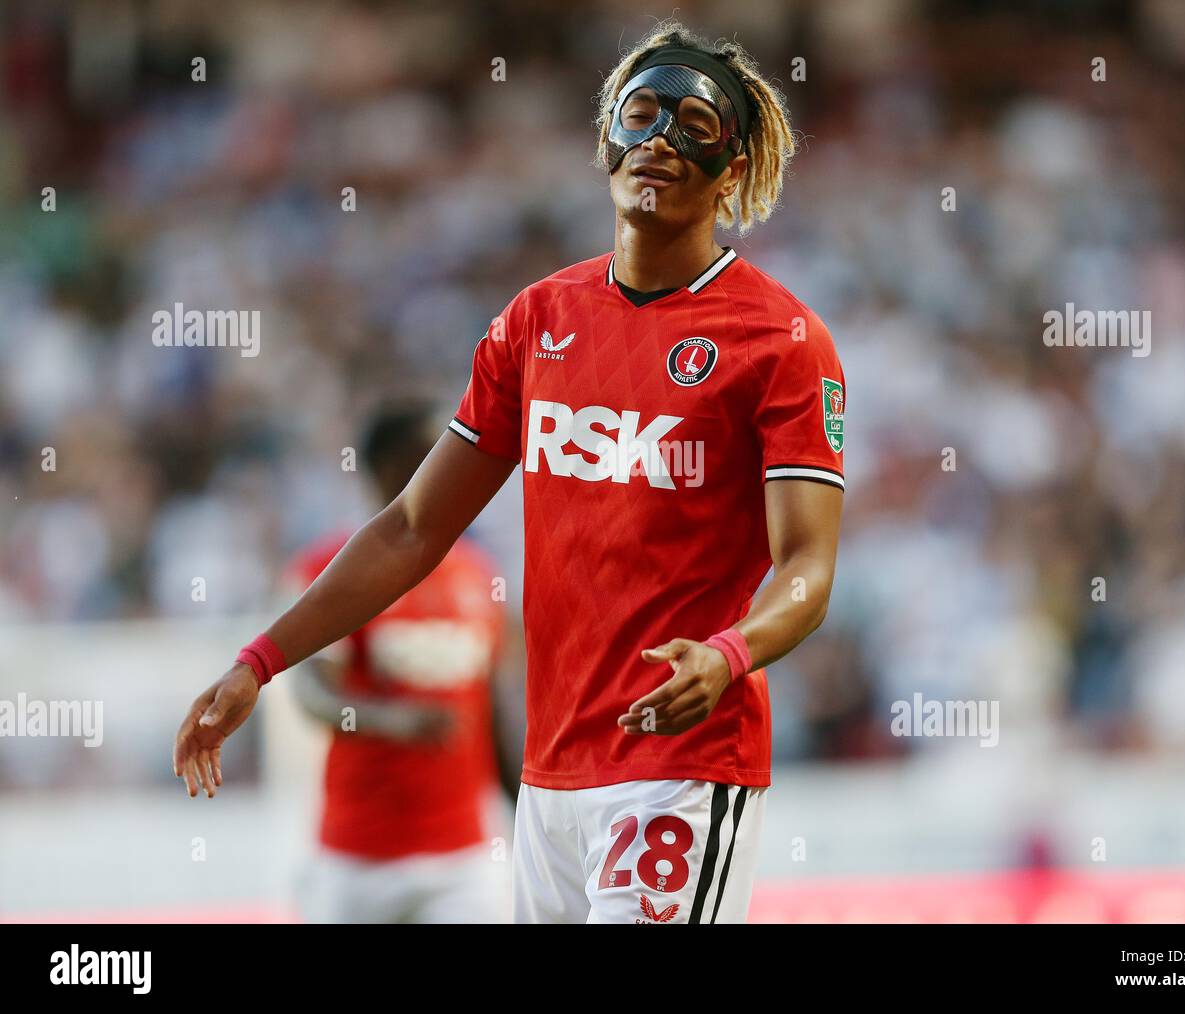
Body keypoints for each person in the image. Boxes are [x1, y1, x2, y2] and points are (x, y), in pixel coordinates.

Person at [174, 20, 845, 925]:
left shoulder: (782, 339)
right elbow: (414, 527)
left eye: (694, 123)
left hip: (681, 763)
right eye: (639, 114)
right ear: (605, 140)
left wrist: (731, 654)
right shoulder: (538, 320)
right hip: (551, 777)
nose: (659, 140)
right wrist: (260, 661)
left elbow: (807, 565)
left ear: (734, 167)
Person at [288, 404, 513, 923]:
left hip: (462, 858)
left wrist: (526, 814)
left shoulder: (479, 573)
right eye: (432, 453)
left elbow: (493, 708)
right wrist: (392, 720)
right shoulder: (333, 569)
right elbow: (311, 693)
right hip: (357, 857)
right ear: (387, 468)